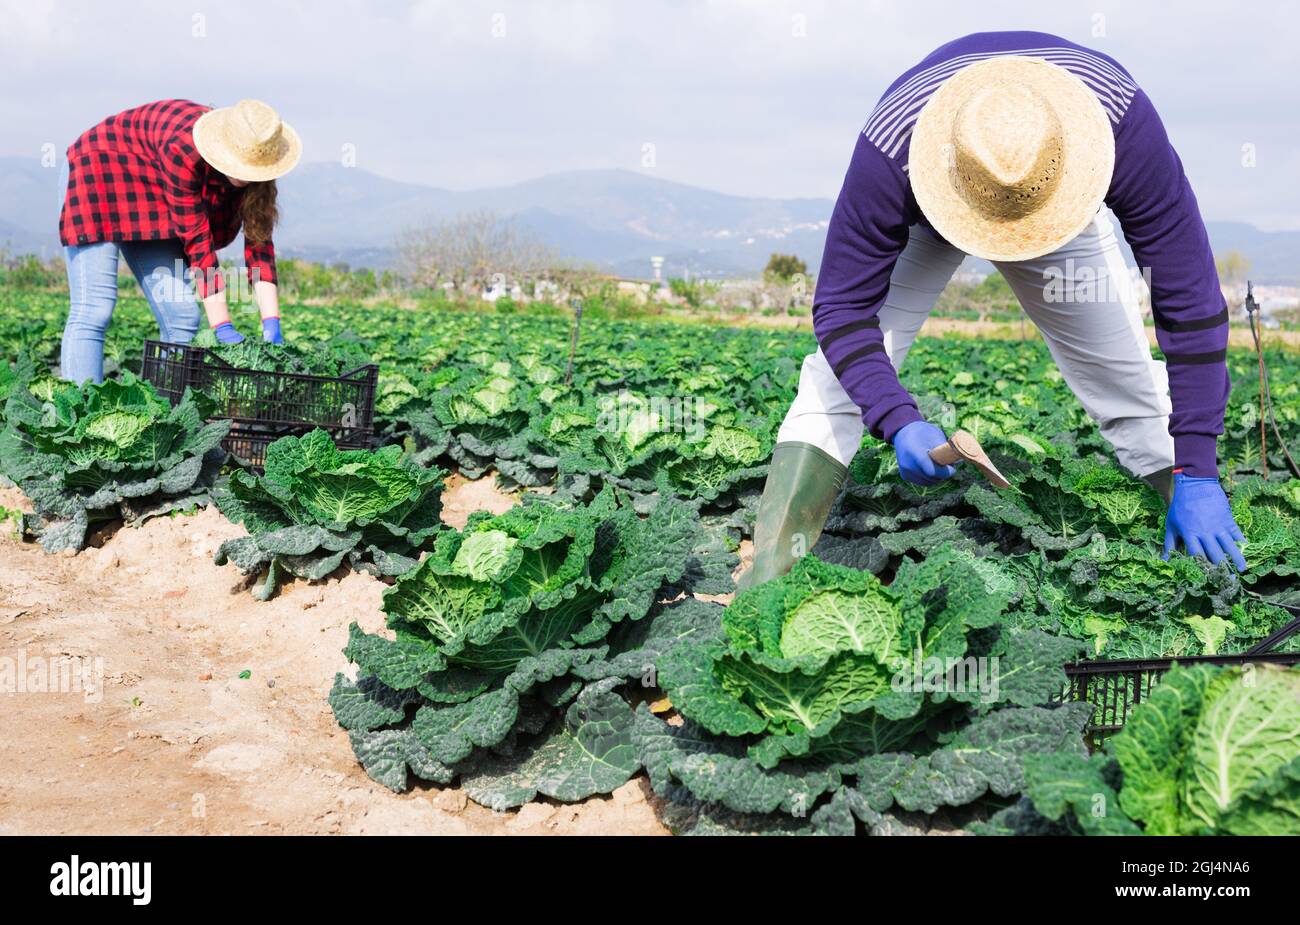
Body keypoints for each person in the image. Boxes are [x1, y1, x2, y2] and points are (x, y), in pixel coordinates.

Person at [741, 31, 1246, 590]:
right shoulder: (891, 150)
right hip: (929, 209)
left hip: (1054, 208)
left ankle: (1203, 565)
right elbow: (841, 309)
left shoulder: (1120, 123)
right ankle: (767, 588)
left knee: (1125, 381)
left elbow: (1190, 300)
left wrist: (1198, 468)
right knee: (832, 390)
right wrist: (898, 420)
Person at [58, 98, 301, 384]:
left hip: (154, 197)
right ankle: (79, 412)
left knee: (183, 316)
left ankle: (167, 415)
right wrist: (221, 326)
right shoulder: (184, 150)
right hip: (100, 170)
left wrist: (272, 323)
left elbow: (260, 245)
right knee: (94, 308)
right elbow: (199, 245)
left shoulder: (259, 167)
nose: (245, 173)